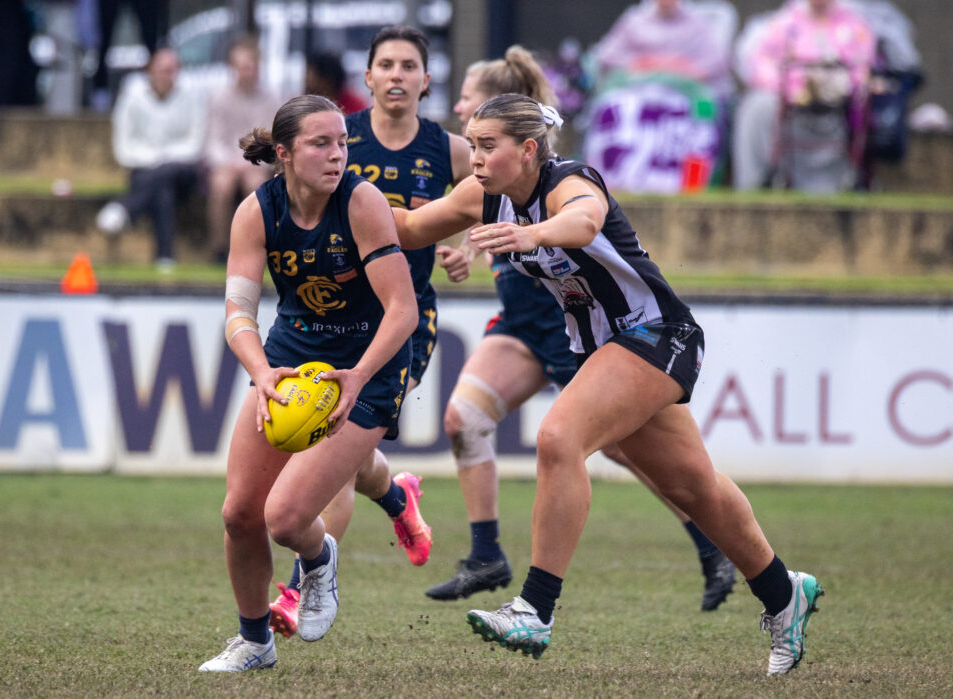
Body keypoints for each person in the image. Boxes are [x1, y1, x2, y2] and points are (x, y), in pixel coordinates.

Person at [392, 94, 823, 676]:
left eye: (487, 145)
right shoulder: (485, 195)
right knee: (694, 488)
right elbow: (413, 226)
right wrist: (337, 190)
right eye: (471, 144)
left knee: (558, 438)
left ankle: (535, 608)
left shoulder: (569, 181)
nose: (474, 157)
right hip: (605, 347)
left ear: (526, 150)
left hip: (656, 332)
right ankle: (782, 592)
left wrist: (533, 234)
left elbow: (585, 221)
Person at [428, 45, 735, 612]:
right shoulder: (487, 178)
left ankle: (713, 545)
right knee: (462, 419)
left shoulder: (547, 173)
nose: (459, 106)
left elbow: (571, 222)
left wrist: (528, 237)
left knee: (627, 452)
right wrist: (460, 254)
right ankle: (486, 554)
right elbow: (473, 226)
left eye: (469, 97)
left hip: (584, 329)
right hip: (522, 324)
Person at [198, 94, 418, 672]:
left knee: (286, 519)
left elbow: (403, 311)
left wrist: (358, 378)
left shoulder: (362, 201)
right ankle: (254, 642)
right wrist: (261, 371)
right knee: (239, 513)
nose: (337, 154)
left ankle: (318, 566)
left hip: (368, 362)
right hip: (292, 358)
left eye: (342, 142)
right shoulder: (256, 211)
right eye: (321, 143)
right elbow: (239, 313)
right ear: (284, 154)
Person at [266, 24, 473, 639]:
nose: (398, 75)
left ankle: (302, 587)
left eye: (410, 65)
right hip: (332, 321)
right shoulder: (338, 137)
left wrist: (462, 247)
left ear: (427, 80)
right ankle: (396, 497)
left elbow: (480, 196)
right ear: (369, 78)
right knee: (343, 454)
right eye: (387, 64)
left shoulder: (450, 150)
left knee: (333, 450)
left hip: (402, 318)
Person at [731, 0, 875, 191]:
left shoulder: (855, 25)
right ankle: (755, 183)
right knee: (757, 106)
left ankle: (848, 179)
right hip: (790, 103)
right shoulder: (784, 23)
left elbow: (863, 69)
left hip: (836, 108)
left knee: (864, 109)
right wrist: (790, 89)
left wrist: (834, 87)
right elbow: (759, 62)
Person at [95, 47, 205, 271]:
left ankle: (124, 208)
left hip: (181, 170)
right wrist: (155, 159)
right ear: (150, 71)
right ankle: (165, 257)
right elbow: (123, 146)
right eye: (163, 70)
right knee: (162, 187)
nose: (167, 75)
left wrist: (164, 158)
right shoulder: (132, 97)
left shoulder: (191, 97)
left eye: (172, 70)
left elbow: (195, 144)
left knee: (166, 174)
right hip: (146, 169)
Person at [204, 37, 283, 264]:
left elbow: (273, 139)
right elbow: (213, 140)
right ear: (232, 68)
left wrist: (251, 161)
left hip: (258, 162)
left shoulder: (271, 98)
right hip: (226, 162)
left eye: (251, 66)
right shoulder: (219, 98)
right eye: (242, 67)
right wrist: (229, 161)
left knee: (256, 187)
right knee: (221, 186)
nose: (247, 72)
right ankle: (220, 249)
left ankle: (258, 247)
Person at [590, 0, 734, 103]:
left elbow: (718, 63)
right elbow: (606, 56)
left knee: (705, 110)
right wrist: (644, 63)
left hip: (687, 98)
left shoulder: (698, 24)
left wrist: (681, 68)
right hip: (634, 96)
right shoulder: (634, 21)